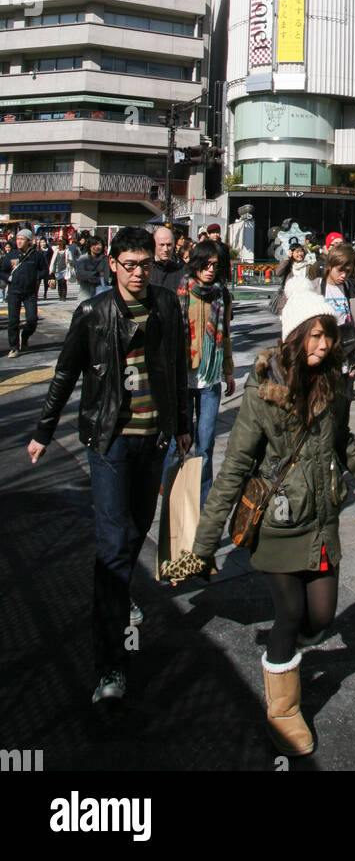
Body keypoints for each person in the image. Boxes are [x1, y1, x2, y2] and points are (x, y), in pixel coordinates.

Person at [173, 285, 355, 756]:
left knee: (320, 617)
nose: (325, 345)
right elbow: (234, 469)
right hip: (279, 524)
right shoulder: (263, 395)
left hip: (323, 518)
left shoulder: (335, 383)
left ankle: (283, 656)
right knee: (290, 613)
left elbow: (343, 439)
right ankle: (282, 710)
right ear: (296, 335)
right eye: (317, 336)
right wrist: (203, 546)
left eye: (330, 336)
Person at [27, 226, 189, 704]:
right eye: (131, 264)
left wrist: (180, 423)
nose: (140, 273)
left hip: (153, 440)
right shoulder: (93, 313)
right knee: (113, 549)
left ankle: (123, 596)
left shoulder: (165, 304)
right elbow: (64, 373)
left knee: (138, 528)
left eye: (145, 264)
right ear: (113, 265)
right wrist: (43, 430)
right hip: (110, 442)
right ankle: (111, 668)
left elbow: (176, 366)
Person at [174, 242, 236, 505]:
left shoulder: (221, 296)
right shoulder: (181, 293)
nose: (210, 271)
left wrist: (229, 371)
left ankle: (202, 500)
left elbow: (226, 335)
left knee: (206, 441)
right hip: (184, 376)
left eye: (215, 266)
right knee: (181, 441)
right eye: (206, 265)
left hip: (210, 378)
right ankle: (176, 491)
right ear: (196, 264)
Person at [309, 241, 355, 400]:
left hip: (345, 364)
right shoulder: (315, 288)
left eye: (348, 271)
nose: (344, 276)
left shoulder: (353, 290)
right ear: (329, 266)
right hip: (320, 366)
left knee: (342, 417)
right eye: (340, 270)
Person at [6, 228, 50, 356]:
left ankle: (24, 336)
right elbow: (2, 270)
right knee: (13, 320)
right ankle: (14, 347)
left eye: (22, 239)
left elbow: (44, 270)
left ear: (29, 241)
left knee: (32, 320)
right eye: (18, 239)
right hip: (14, 292)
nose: (19, 241)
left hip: (30, 292)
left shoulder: (36, 256)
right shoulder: (11, 255)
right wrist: (8, 277)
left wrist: (36, 277)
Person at [149, 225, 185, 291]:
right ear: (154, 245)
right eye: (161, 245)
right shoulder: (147, 267)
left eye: (169, 245)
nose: (165, 249)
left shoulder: (182, 268)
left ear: (174, 244)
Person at [205, 222, 232, 287]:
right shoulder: (204, 246)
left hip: (221, 276)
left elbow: (227, 262)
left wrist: (228, 275)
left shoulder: (224, 247)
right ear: (208, 234)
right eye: (213, 233)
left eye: (217, 232)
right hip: (208, 274)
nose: (215, 235)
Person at [48, 236, 71, 300]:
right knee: (59, 283)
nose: (58, 246)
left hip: (65, 269)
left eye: (60, 245)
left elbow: (70, 259)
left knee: (64, 282)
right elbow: (53, 261)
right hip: (58, 270)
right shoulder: (56, 251)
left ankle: (64, 296)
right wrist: (52, 270)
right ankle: (60, 295)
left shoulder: (67, 251)